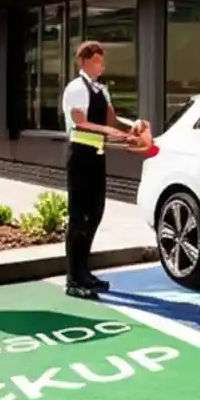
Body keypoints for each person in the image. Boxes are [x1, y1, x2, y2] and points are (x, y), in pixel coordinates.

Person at [61, 40, 150, 299]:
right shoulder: (76, 89)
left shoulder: (101, 89)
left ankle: (84, 272)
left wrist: (132, 126)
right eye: (98, 60)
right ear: (85, 60)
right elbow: (80, 122)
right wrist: (111, 132)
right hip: (79, 156)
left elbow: (111, 119)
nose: (102, 65)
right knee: (78, 218)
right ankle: (73, 279)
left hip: (98, 156)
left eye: (102, 60)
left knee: (96, 213)